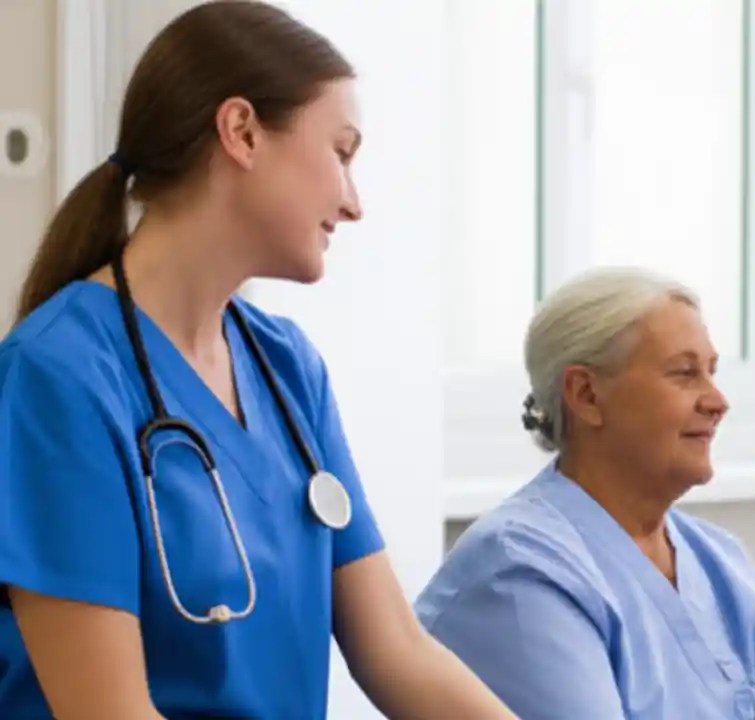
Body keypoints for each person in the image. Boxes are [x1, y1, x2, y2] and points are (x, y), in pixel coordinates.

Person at [0, 3, 516, 718]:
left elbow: (400, 654)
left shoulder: (285, 367)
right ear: (241, 131)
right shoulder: (60, 376)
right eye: (341, 152)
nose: (354, 201)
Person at [414, 267, 755, 718]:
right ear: (586, 395)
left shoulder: (718, 561)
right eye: (685, 373)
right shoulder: (519, 570)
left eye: (712, 372)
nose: (717, 401)